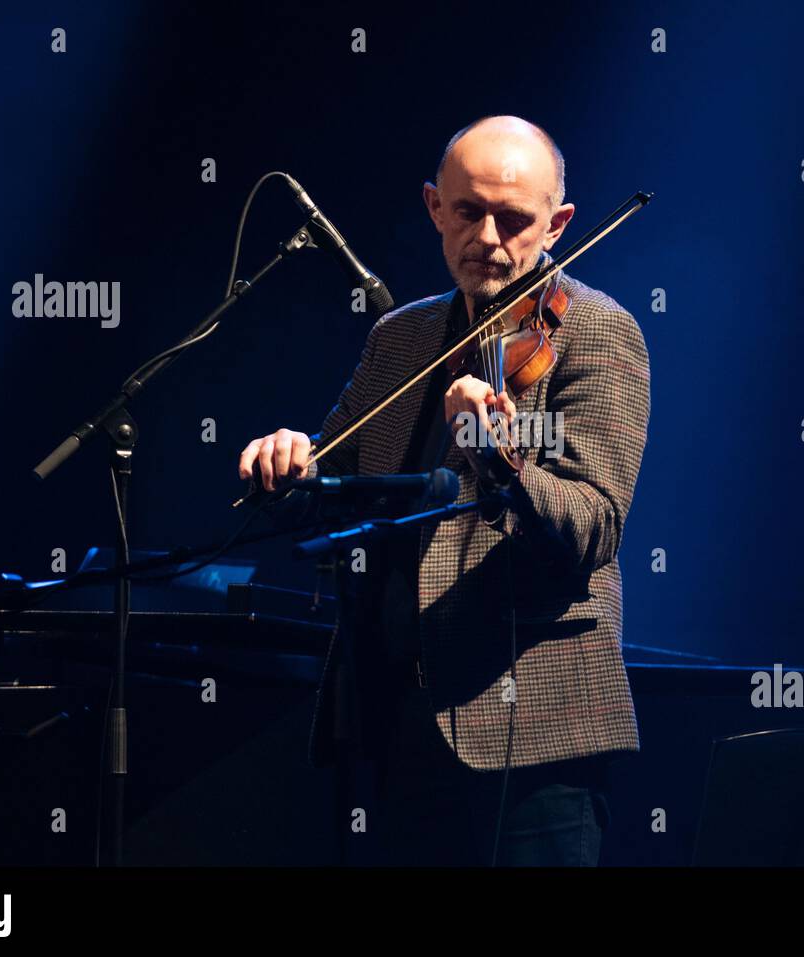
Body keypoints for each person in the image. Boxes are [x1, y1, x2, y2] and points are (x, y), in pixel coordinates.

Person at [237, 115, 650, 866]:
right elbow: (340, 481)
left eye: (515, 219)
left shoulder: (597, 331)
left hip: (531, 726)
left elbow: (594, 520)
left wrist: (506, 459)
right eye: (469, 211)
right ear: (435, 207)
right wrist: (288, 467)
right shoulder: (401, 335)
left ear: (558, 224)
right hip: (398, 716)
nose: (489, 238)